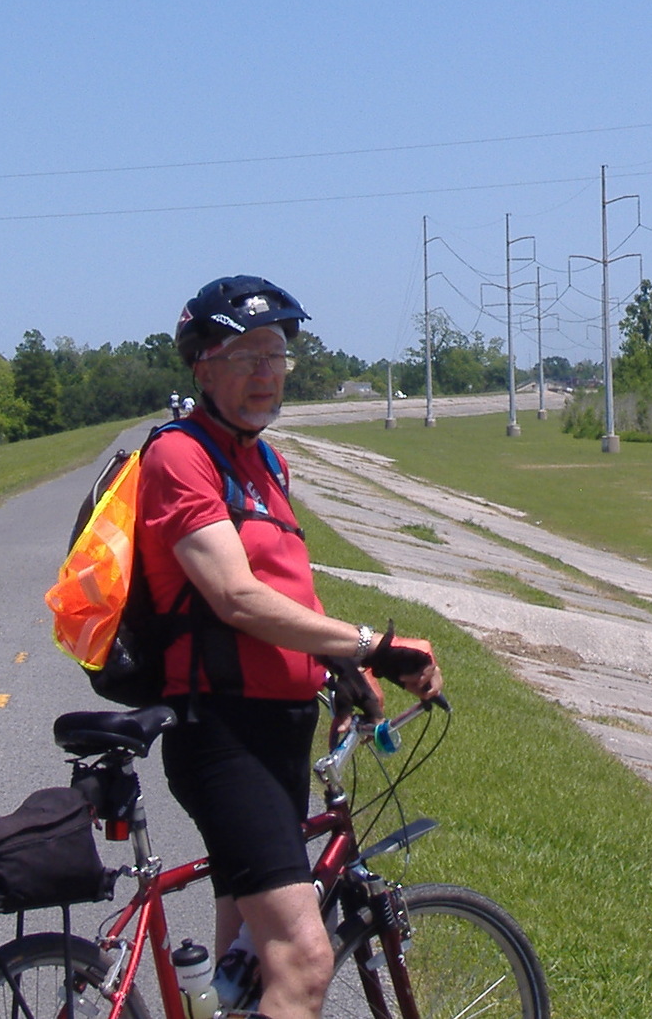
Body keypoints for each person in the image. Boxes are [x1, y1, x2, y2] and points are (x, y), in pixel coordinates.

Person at [136, 275, 442, 1019]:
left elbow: (288, 592)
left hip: (279, 731)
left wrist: (339, 669)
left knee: (246, 972)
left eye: (277, 355)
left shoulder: (267, 465)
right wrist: (376, 644)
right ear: (202, 365)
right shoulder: (183, 458)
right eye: (246, 354)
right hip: (221, 735)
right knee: (304, 960)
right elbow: (236, 598)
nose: (267, 372)